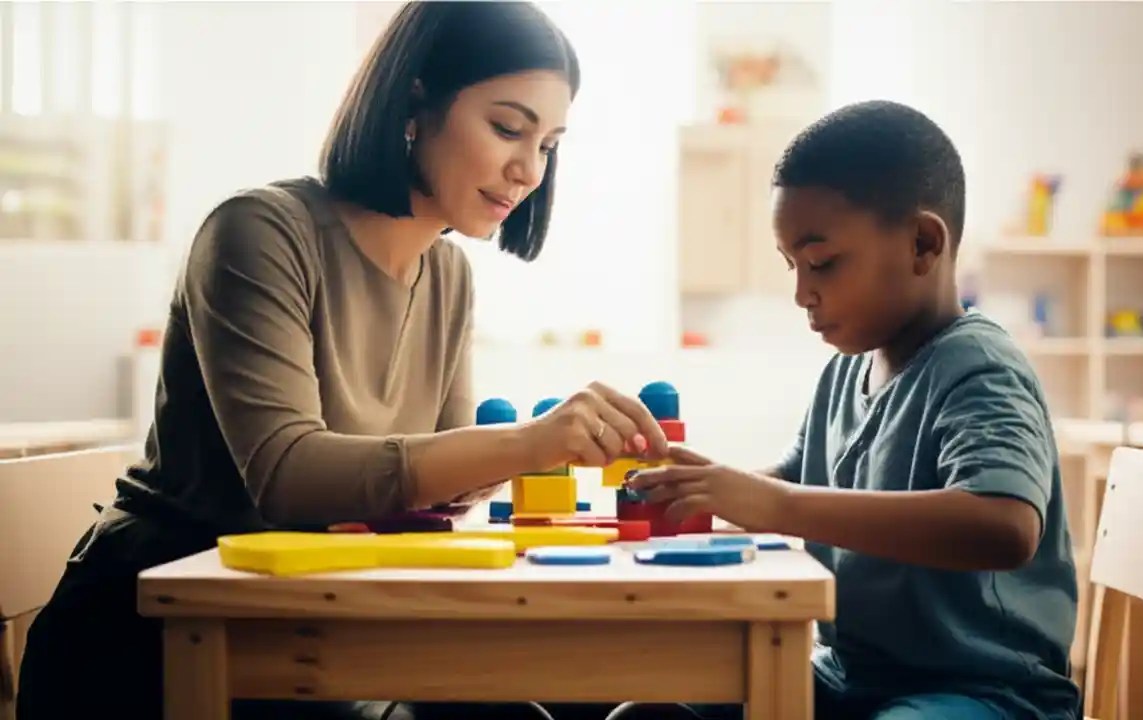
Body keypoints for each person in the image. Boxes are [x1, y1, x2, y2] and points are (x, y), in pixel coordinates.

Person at [17, 3, 667, 720]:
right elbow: (290, 477)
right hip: (161, 631)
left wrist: (536, 455)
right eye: (508, 128)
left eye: (548, 144)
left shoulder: (446, 275)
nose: (529, 168)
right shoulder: (259, 232)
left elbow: (432, 492)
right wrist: (521, 444)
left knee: (584, 694)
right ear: (414, 102)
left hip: (311, 619)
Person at [623, 101, 1081, 720]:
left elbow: (1005, 525)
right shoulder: (847, 368)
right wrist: (701, 493)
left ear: (922, 243)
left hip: (985, 693)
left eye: (822, 263)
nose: (801, 293)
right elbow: (794, 482)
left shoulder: (980, 368)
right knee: (651, 711)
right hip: (849, 680)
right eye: (792, 266)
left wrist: (774, 505)